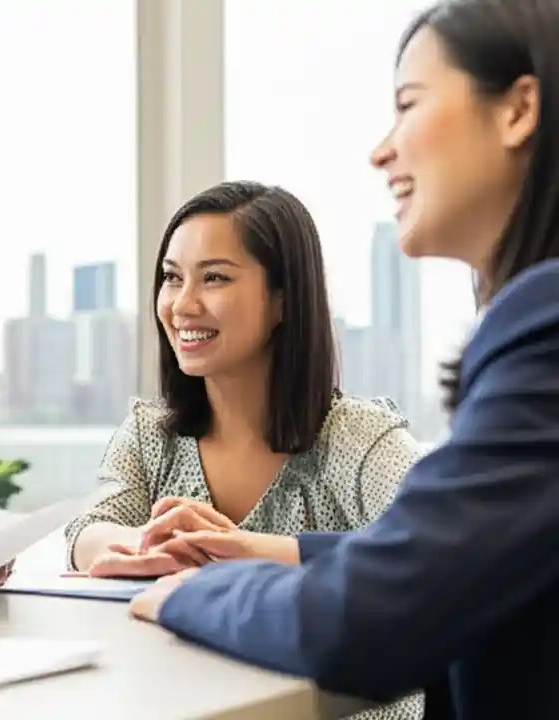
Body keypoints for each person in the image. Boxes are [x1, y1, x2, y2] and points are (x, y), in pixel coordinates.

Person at [130, 2, 559, 718]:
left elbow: (369, 618)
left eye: (408, 105)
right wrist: (262, 551)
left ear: (518, 110)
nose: (381, 151)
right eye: (173, 278)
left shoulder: (544, 326)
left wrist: (195, 591)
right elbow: (452, 549)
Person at [64, 181, 422, 720]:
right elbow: (87, 532)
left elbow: (425, 548)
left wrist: (236, 548)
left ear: (282, 298)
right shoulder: (150, 433)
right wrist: (149, 543)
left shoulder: (359, 438)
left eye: (214, 278)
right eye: (171, 278)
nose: (183, 305)